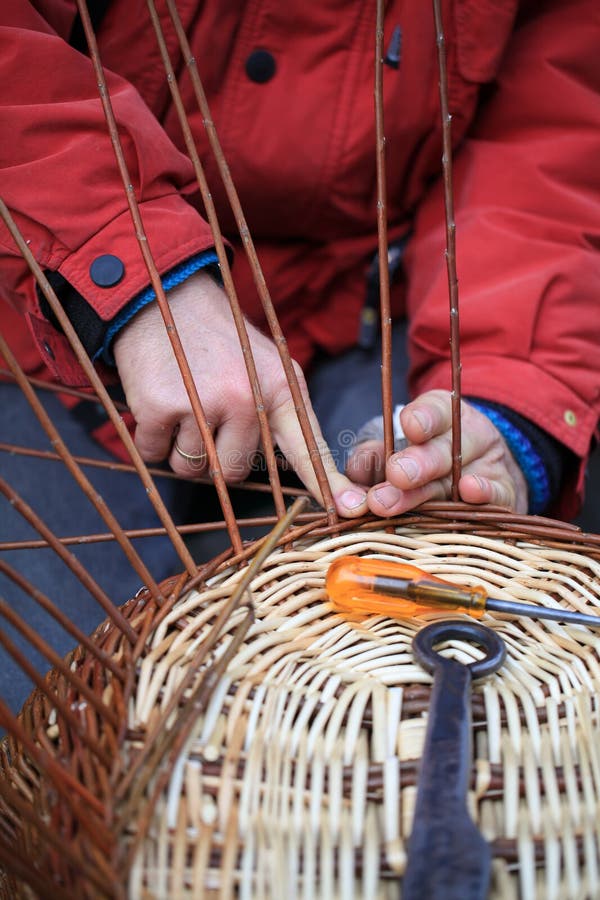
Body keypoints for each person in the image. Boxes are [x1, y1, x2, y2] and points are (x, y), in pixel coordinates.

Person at [1, 0, 599, 638]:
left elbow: (550, 132)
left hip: (363, 310)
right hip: (37, 313)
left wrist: (507, 393)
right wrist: (137, 276)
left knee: (427, 594)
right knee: (77, 670)